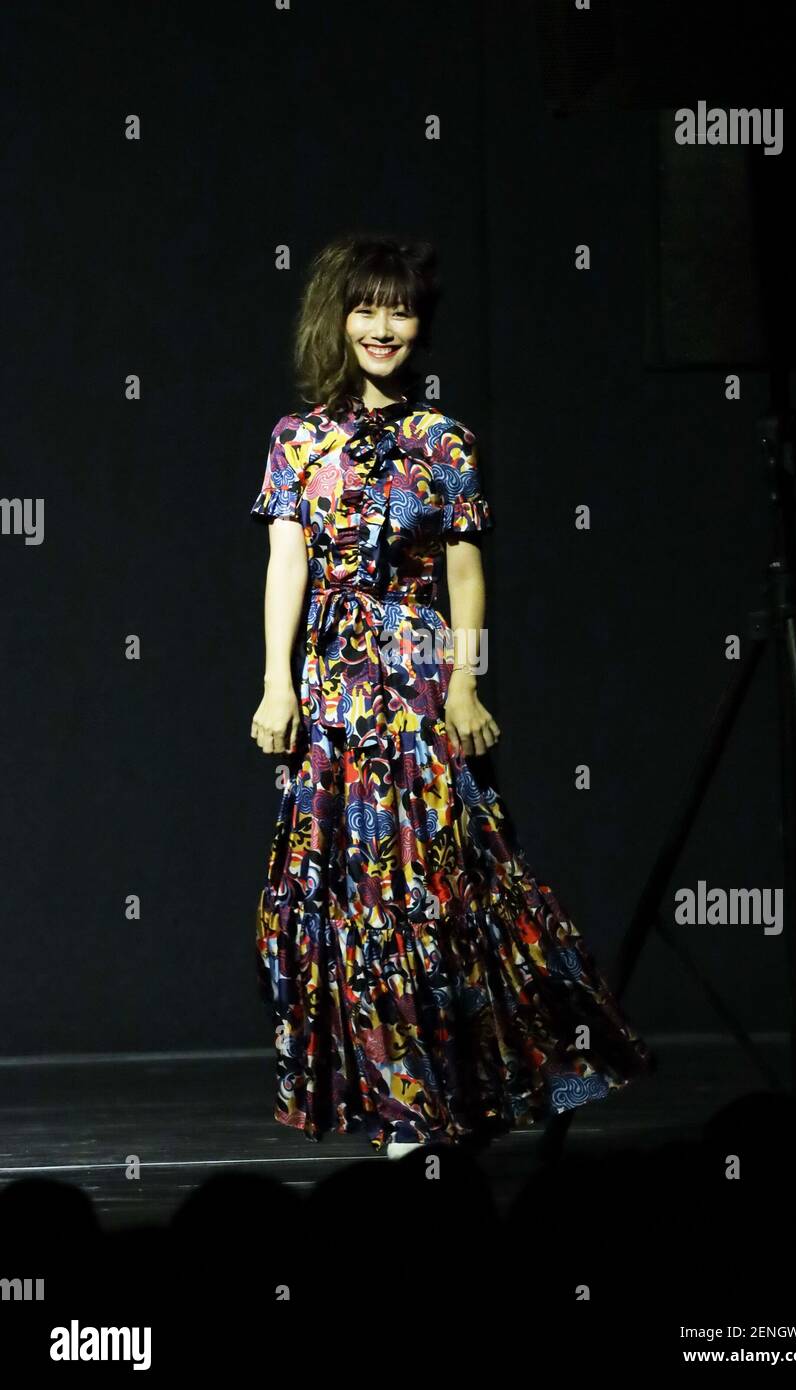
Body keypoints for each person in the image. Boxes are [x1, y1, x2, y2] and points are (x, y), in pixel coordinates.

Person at [250, 233, 652, 1158]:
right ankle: (401, 1104)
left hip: (422, 680)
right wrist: (277, 686)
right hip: (335, 694)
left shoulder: (446, 441)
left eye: (401, 309)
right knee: (343, 891)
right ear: (337, 315)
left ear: (419, 322)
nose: (384, 326)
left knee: (439, 888)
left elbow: (466, 577)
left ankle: (477, 1084)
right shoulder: (296, 441)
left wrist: (466, 680)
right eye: (367, 307)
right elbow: (287, 567)